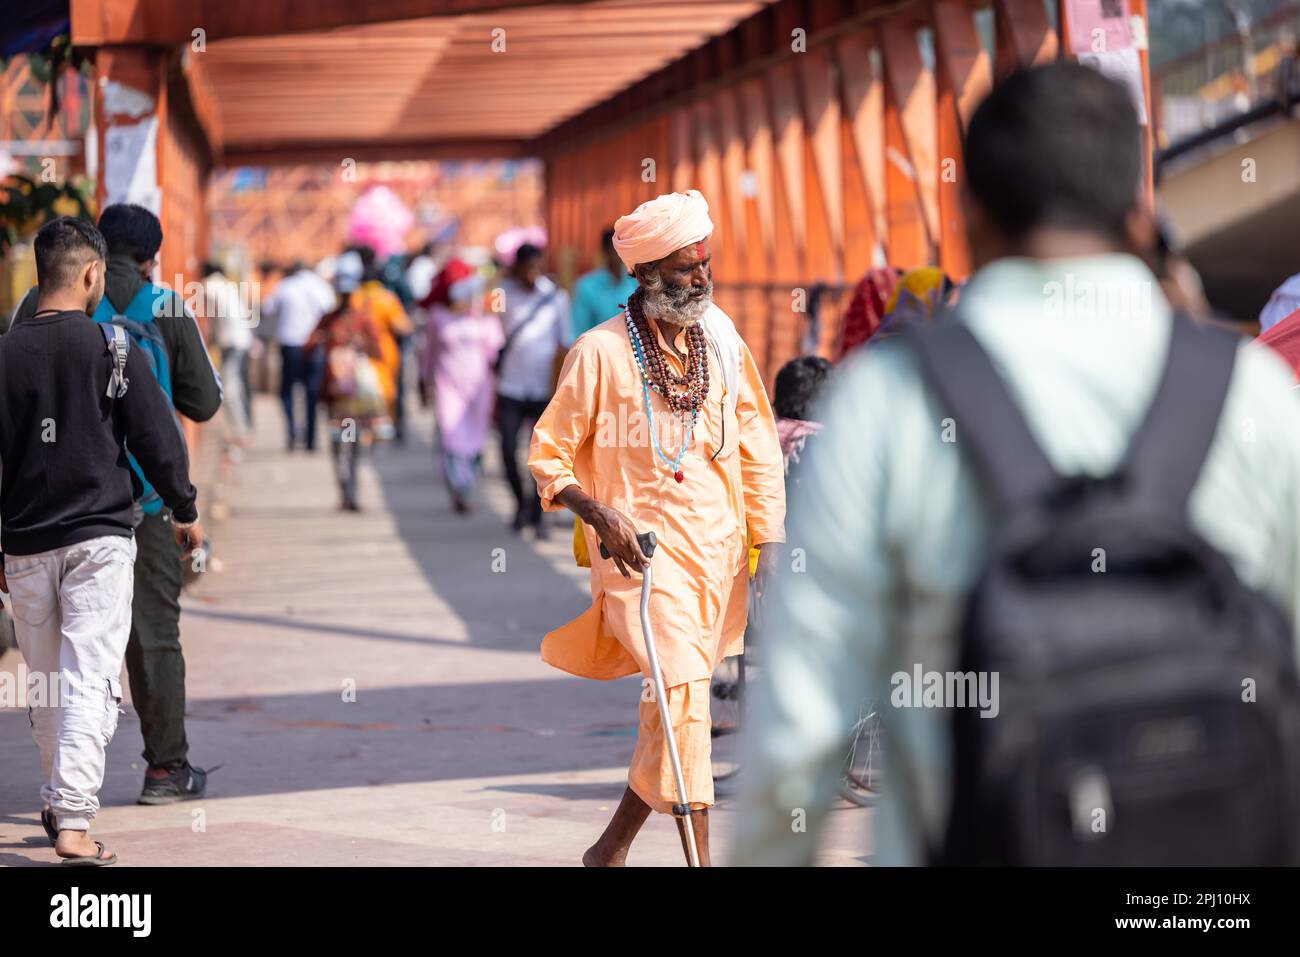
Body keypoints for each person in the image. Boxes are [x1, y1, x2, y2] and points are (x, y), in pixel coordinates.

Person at [731, 63, 1300, 866]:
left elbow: (798, 735)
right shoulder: (1254, 394)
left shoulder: (887, 402)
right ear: (1144, 213)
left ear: (969, 218)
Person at [529, 189, 785, 866]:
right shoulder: (599, 353)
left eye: (705, 264)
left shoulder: (723, 338)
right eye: (682, 269)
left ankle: (608, 849)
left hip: (718, 554)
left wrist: (772, 541)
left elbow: (757, 443)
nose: (700, 278)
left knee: (673, 708)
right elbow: (547, 456)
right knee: (680, 692)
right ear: (643, 275)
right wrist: (597, 512)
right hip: (639, 562)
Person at [0, 217, 203, 863]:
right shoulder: (113, 347)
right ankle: (74, 823)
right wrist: (184, 506)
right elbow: (157, 438)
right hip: (100, 539)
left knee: (46, 681)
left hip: (25, 543)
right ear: (91, 274)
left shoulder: (3, 355)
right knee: (89, 678)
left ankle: (60, 798)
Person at [497, 242, 571, 538]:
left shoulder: (555, 298)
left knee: (539, 455)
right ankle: (520, 503)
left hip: (542, 389)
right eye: (525, 268)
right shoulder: (503, 294)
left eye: (535, 268)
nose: (531, 275)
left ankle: (538, 513)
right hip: (510, 385)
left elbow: (563, 342)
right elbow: (489, 323)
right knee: (506, 449)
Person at [421, 258, 503, 513]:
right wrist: (423, 381)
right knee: (451, 433)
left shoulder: (483, 318)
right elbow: (429, 353)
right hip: (447, 384)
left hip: (480, 386)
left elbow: (496, 349)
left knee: (477, 437)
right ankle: (459, 488)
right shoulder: (437, 317)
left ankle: (468, 481)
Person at [307, 293, 388, 511]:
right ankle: (345, 490)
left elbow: (380, 351)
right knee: (338, 445)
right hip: (336, 396)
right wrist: (325, 339)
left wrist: (362, 344)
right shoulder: (328, 319)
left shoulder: (363, 319)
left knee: (353, 446)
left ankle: (351, 491)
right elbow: (309, 345)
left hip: (357, 398)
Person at [263, 260, 336, 451]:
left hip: (290, 343)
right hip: (314, 345)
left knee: (287, 391)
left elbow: (268, 309)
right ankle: (311, 439)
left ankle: (293, 432)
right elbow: (331, 310)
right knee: (312, 392)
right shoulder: (321, 287)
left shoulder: (285, 286)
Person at [349, 246, 413, 442]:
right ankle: (389, 428)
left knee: (361, 392)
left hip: (358, 353)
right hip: (384, 353)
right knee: (389, 392)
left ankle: (364, 430)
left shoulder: (354, 298)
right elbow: (403, 326)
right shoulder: (387, 298)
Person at [203, 261, 254, 443]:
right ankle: (244, 427)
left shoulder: (211, 285)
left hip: (232, 342)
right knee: (239, 386)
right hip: (241, 340)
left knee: (230, 388)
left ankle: (241, 431)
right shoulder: (228, 286)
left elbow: (209, 317)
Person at [571, 227, 638, 338]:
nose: (619, 254)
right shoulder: (587, 287)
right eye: (615, 249)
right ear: (605, 251)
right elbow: (579, 331)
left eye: (623, 248)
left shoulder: (635, 283)